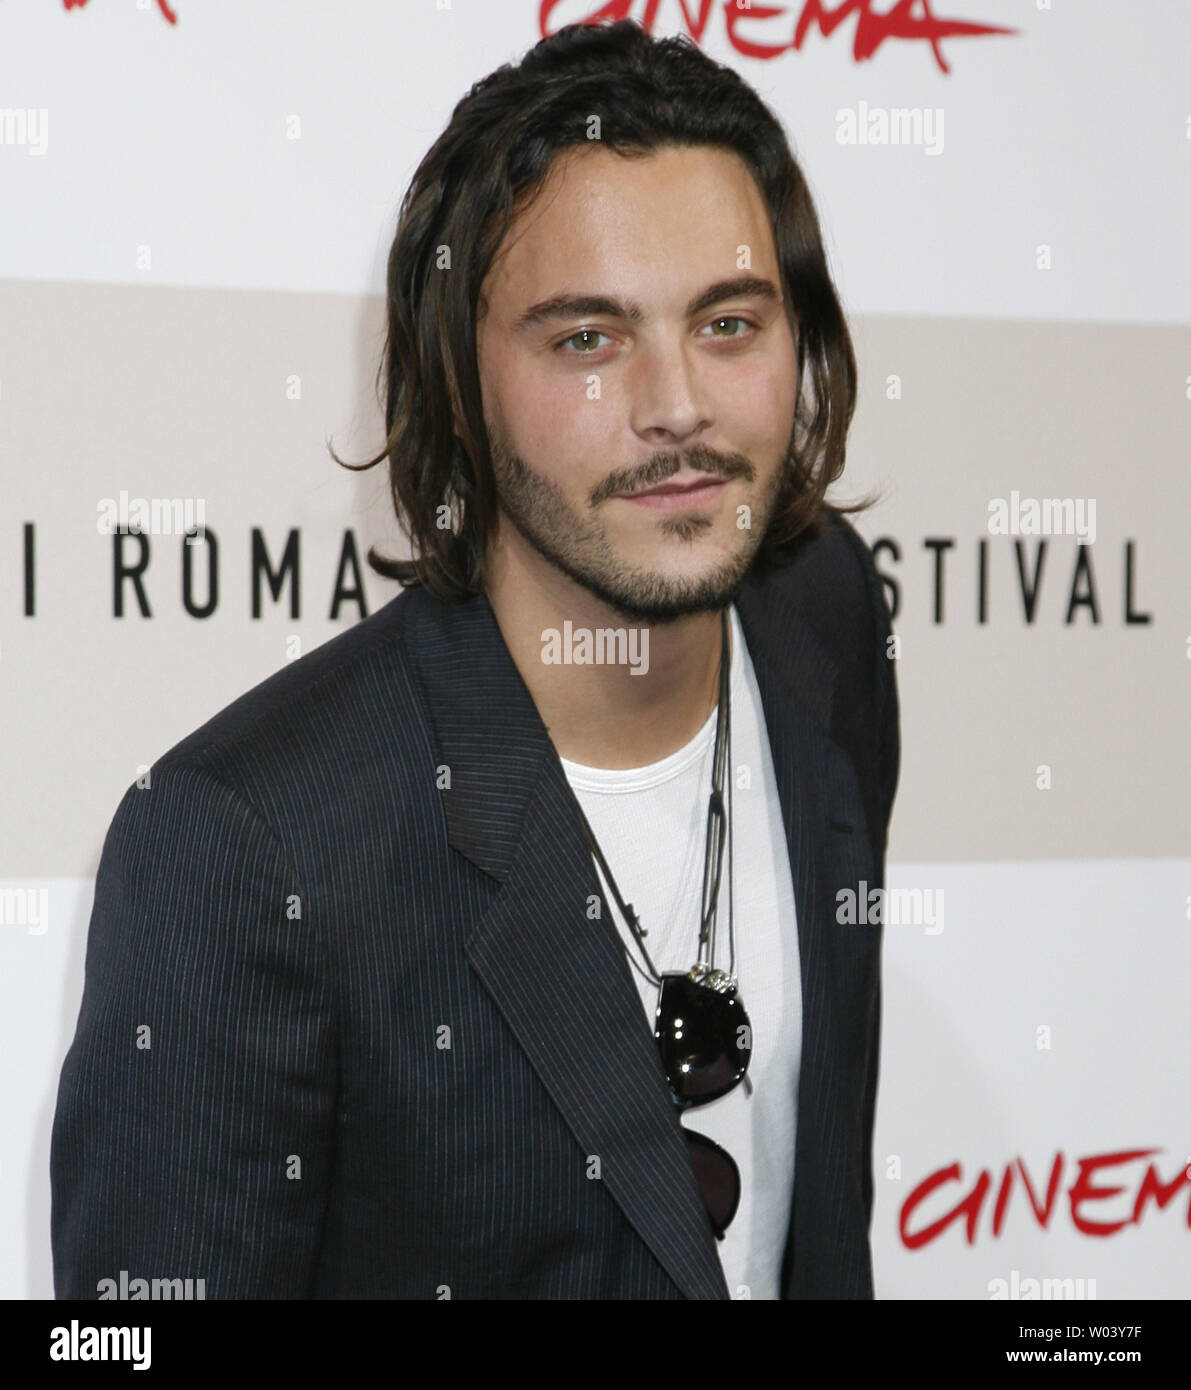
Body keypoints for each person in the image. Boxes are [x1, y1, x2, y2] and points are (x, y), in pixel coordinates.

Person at [51, 18, 899, 1300]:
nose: (678, 405)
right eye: (587, 339)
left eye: (730, 323)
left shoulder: (823, 620)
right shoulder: (245, 846)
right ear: (459, 381)